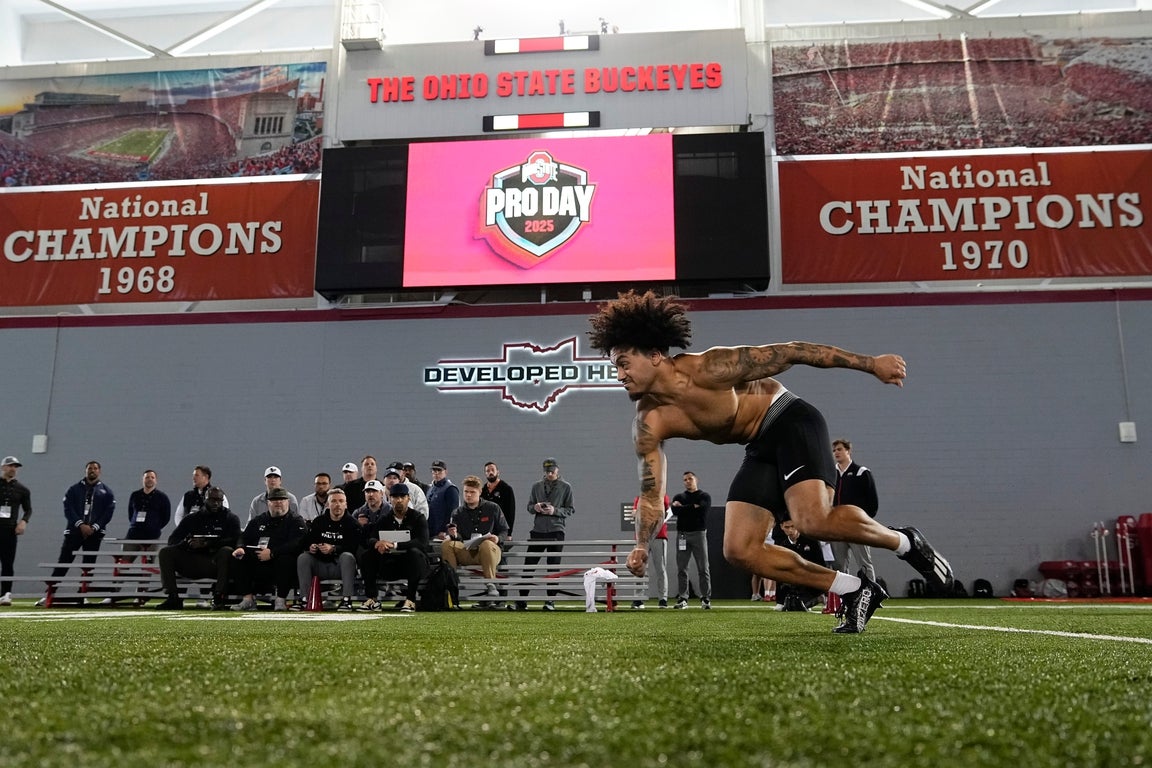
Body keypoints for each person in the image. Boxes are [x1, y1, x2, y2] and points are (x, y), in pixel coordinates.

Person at [587, 290, 954, 634]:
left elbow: (793, 351)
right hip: (758, 445)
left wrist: (871, 363)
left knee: (813, 520)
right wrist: (640, 544)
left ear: (654, 355)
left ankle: (905, 542)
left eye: (623, 363)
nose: (619, 375)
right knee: (739, 549)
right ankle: (855, 589)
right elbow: (652, 494)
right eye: (615, 367)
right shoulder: (648, 423)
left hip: (790, 419)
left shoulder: (711, 368)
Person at [41, 460, 116, 605]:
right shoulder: (74, 489)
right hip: (74, 532)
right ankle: (50, 593)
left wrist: (94, 527)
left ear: (99, 471)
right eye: (89, 468)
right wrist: (80, 525)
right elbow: (68, 509)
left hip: (94, 534)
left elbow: (108, 514)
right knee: (63, 562)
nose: (92, 470)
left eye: (95, 468)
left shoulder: (106, 492)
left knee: (88, 565)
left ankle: (82, 595)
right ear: (85, 470)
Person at [155, 487, 241, 610]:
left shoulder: (231, 518)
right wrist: (187, 543)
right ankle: (173, 597)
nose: (216, 503)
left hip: (216, 563)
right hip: (193, 561)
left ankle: (218, 597)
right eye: (212, 500)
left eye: (219, 500)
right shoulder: (192, 518)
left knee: (227, 551)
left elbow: (235, 540)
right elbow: (172, 540)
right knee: (165, 552)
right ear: (205, 499)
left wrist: (208, 543)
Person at [229, 487, 308, 611]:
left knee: (287, 559)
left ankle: (280, 600)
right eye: (274, 500)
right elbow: (243, 537)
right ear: (268, 503)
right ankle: (248, 599)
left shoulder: (295, 520)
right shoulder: (259, 520)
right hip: (258, 560)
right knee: (238, 557)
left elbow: (297, 543)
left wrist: (272, 553)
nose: (278, 503)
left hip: (281, 562)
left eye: (282, 499)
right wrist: (240, 548)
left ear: (288, 502)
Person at [357, 483, 429, 613]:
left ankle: (410, 600)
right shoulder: (385, 519)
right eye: (395, 497)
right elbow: (371, 538)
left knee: (414, 553)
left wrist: (396, 545)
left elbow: (422, 542)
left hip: (413, 565)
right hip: (391, 564)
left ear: (408, 498)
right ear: (390, 499)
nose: (399, 500)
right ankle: (372, 599)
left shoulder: (418, 518)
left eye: (402, 496)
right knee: (367, 555)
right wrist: (377, 543)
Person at [514, 457, 575, 611]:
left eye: (552, 471)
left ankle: (550, 601)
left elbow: (570, 509)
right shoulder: (536, 487)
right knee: (529, 566)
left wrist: (555, 511)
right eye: (547, 471)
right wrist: (535, 507)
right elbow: (528, 507)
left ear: (557, 470)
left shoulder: (566, 487)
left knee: (552, 567)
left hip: (556, 530)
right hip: (538, 530)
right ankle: (522, 600)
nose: (549, 473)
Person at [442, 475, 510, 603]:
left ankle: (490, 584)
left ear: (480, 492)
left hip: (489, 551)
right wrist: (454, 535)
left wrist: (497, 538)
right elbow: (459, 538)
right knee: (447, 544)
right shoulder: (457, 512)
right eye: (466, 492)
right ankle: (451, 583)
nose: (468, 495)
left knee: (486, 544)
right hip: (468, 550)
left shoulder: (493, 508)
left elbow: (504, 530)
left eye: (472, 492)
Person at [296, 487, 360, 610]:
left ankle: (346, 600)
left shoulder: (352, 523)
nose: (337, 504)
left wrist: (334, 548)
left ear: (346, 504)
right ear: (328, 504)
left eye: (341, 501)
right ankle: (305, 599)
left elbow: (354, 546)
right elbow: (306, 541)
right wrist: (311, 547)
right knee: (303, 557)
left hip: (340, 566)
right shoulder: (319, 522)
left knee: (348, 556)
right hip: (319, 564)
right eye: (334, 501)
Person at [830, 439, 878, 582]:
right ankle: (842, 599)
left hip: (856, 527)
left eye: (839, 449)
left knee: (864, 563)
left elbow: (872, 502)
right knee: (839, 565)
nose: (836, 453)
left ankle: (871, 594)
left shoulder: (861, 472)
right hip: (837, 527)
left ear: (848, 451)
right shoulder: (831, 474)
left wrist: (863, 521)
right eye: (834, 450)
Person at [671, 471, 712, 610]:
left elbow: (702, 510)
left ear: (696, 479)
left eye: (690, 479)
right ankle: (683, 598)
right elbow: (675, 511)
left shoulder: (704, 496)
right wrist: (691, 508)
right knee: (682, 568)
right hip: (682, 535)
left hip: (699, 534)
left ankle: (706, 598)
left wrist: (682, 508)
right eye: (685, 480)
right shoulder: (679, 496)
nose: (687, 481)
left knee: (703, 567)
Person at [772, 519, 829, 611]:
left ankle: (819, 597)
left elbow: (821, 564)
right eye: (787, 527)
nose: (790, 530)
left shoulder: (811, 541)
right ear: (782, 527)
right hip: (793, 579)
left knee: (798, 606)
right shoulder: (781, 544)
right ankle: (782, 601)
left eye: (793, 526)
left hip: (810, 577)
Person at [0, 456, 33, 607]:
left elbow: (28, 510)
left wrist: (23, 522)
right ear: (3, 467)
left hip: (9, 530)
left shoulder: (22, 489)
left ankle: (6, 594)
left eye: (15, 466)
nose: (13, 468)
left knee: (8, 562)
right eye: (10, 466)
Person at [631, 493, 670, 609]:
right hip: (642, 538)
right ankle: (638, 599)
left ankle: (663, 599)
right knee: (638, 567)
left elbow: (664, 512)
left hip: (659, 536)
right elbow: (634, 513)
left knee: (661, 568)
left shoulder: (662, 496)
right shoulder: (639, 498)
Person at [480, 461, 517, 536]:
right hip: (485, 530)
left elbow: (510, 513)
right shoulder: (482, 490)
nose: (490, 472)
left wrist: (509, 533)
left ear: (498, 472)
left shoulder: (506, 489)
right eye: (488, 471)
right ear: (485, 474)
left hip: (500, 529)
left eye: (493, 470)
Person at [426, 460, 459, 540]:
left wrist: (445, 530)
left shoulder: (450, 489)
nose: (436, 473)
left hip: (442, 533)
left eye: (439, 470)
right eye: (434, 470)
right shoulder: (431, 488)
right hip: (431, 530)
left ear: (445, 472)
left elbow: (452, 512)